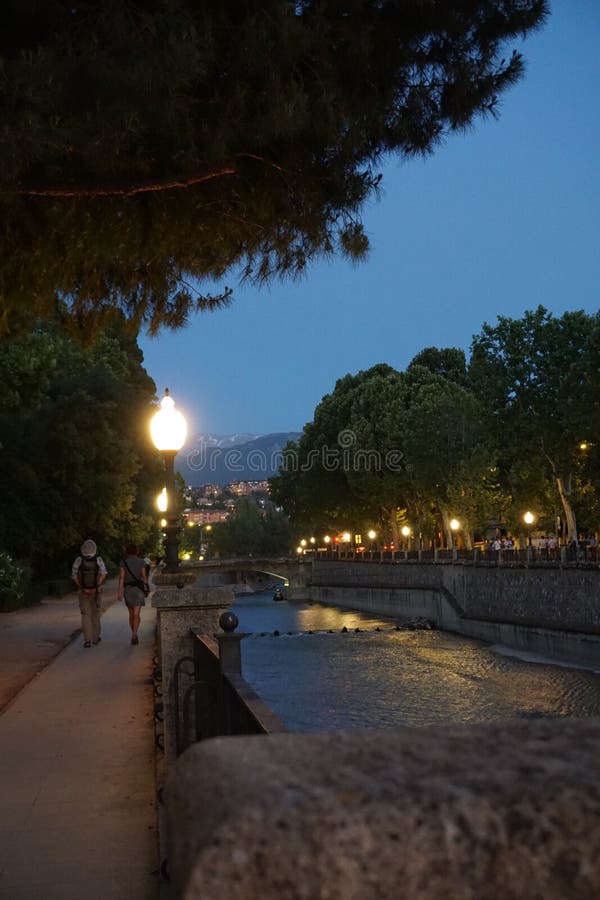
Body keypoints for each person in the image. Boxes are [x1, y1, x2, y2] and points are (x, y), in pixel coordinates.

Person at [72, 539, 107, 648]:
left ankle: (87, 640)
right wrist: (96, 586)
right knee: (95, 614)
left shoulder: (78, 560)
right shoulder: (98, 559)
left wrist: (82, 587)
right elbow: (104, 573)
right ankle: (96, 637)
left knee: (85, 615)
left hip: (83, 592)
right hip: (96, 591)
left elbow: (74, 576)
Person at [117, 543, 149, 645]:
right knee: (136, 614)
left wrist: (119, 592)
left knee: (131, 614)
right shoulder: (141, 561)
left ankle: (134, 634)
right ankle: (134, 634)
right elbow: (144, 577)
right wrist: (147, 588)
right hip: (138, 590)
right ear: (137, 551)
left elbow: (121, 578)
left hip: (128, 590)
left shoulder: (123, 563)